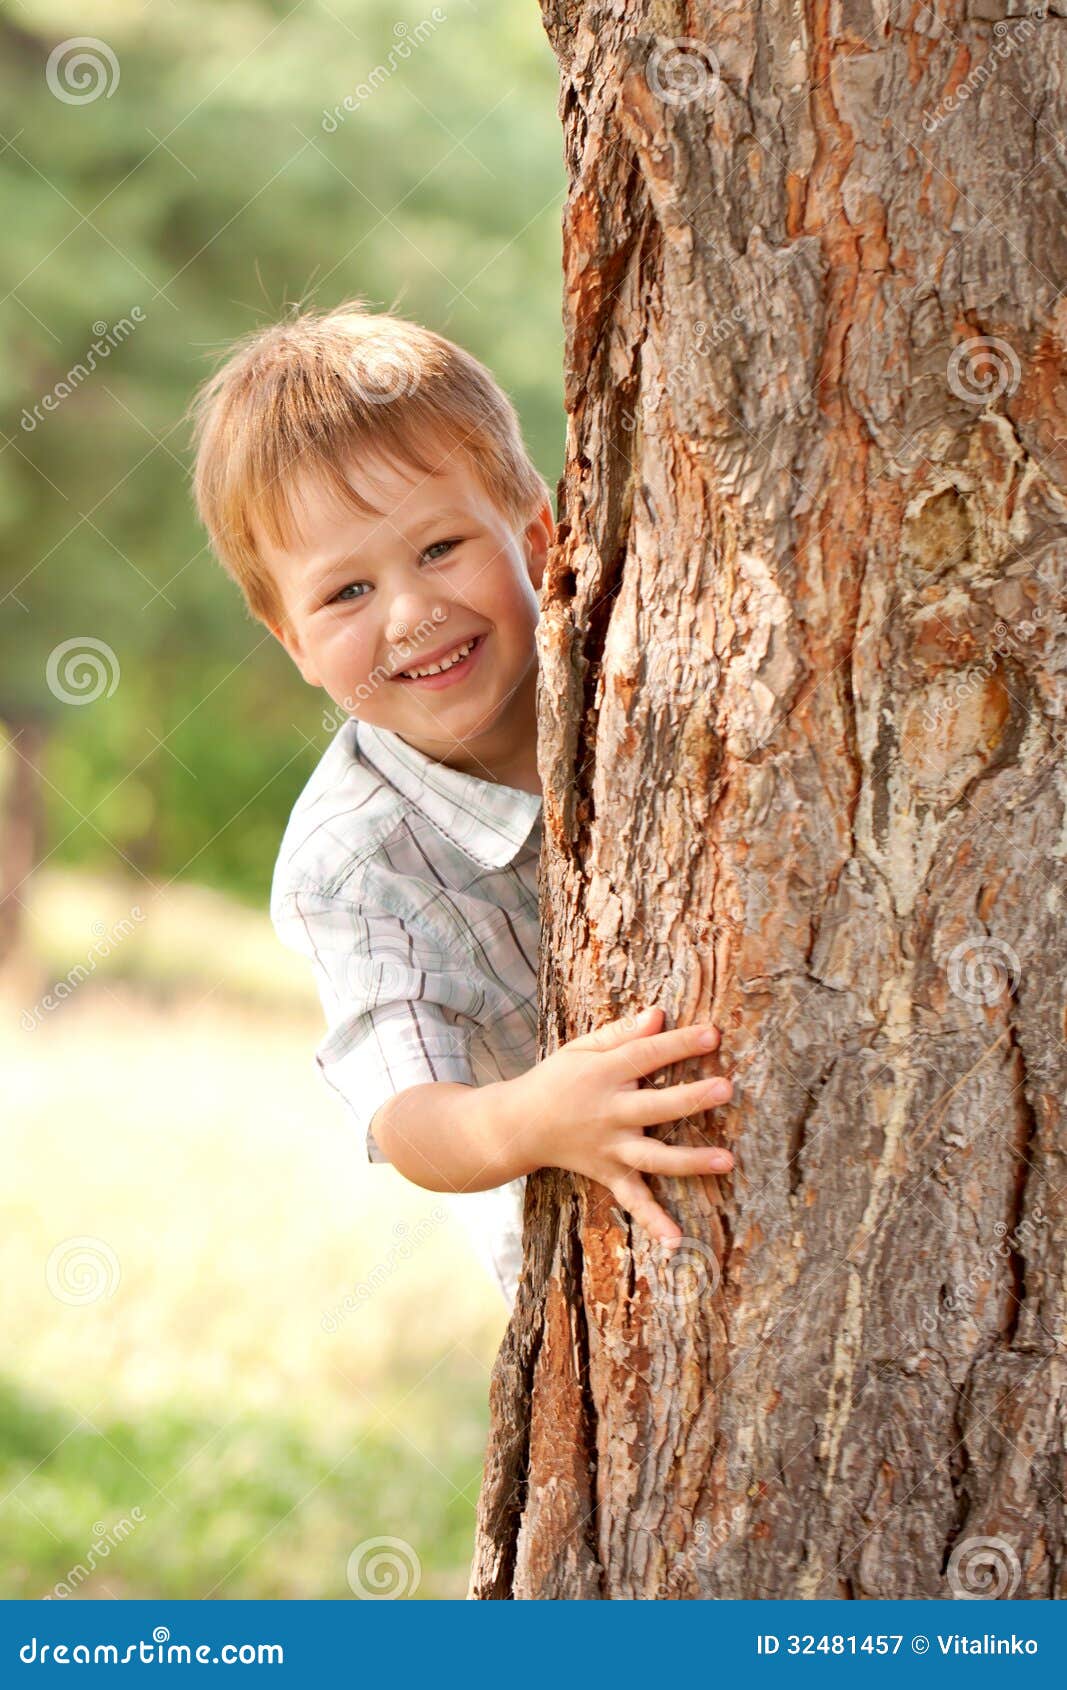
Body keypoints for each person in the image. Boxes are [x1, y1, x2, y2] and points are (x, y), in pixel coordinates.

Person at [188, 298, 734, 1308]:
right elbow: (408, 1116)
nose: (409, 612)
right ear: (292, 641)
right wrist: (532, 1118)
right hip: (614, 1279)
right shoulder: (354, 862)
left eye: (439, 548)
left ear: (534, 533)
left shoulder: (650, 661)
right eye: (344, 593)